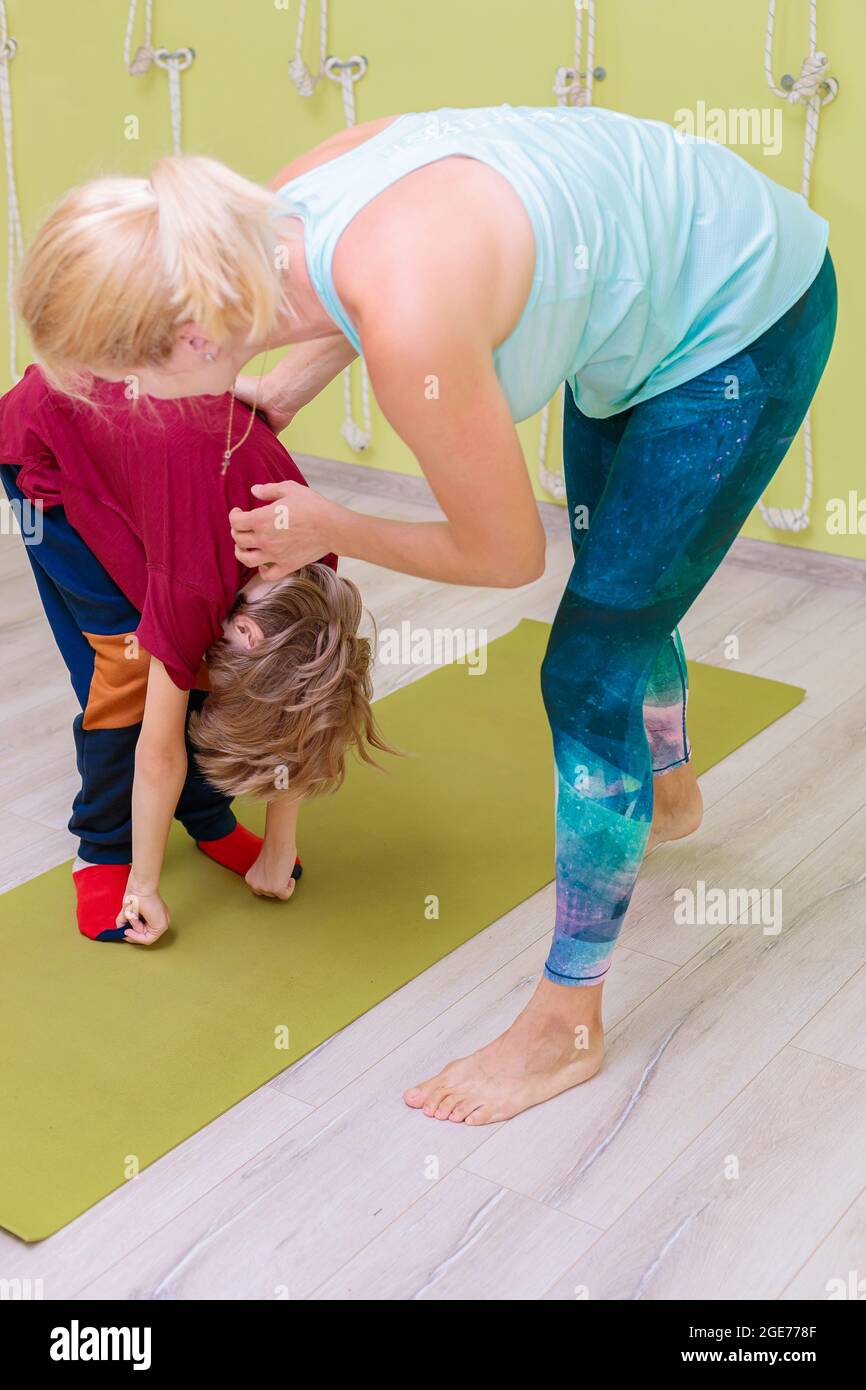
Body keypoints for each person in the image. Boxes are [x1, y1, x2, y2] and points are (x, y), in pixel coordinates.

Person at [15, 103, 837, 1118]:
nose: (129, 405)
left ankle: (561, 1024)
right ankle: (665, 788)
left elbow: (502, 555)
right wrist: (281, 390)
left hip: (739, 325)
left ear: (190, 335)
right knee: (628, 569)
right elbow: (371, 253)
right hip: (651, 282)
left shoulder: (410, 319)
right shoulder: (268, 219)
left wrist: (335, 523)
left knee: (586, 661)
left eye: (126, 383)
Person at [0, 365, 387, 943]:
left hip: (149, 458)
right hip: (47, 440)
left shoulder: (315, 560)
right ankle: (103, 848)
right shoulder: (197, 586)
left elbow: (307, 714)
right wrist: (145, 888)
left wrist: (282, 847)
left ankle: (205, 816)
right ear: (252, 632)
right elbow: (159, 756)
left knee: (203, 662)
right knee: (130, 664)